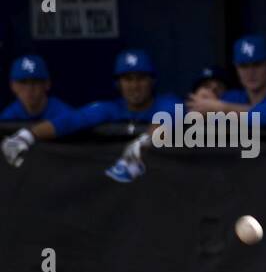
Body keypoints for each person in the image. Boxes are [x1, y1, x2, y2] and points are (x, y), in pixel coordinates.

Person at [2, 49, 179, 183]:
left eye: (141, 78)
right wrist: (28, 135)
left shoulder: (167, 102)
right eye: (128, 79)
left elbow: (168, 116)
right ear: (118, 84)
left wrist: (144, 142)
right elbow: (72, 120)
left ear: (152, 81)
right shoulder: (111, 108)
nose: (134, 85)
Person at [2, 55, 74, 167]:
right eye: (23, 82)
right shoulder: (7, 117)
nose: (29, 88)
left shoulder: (63, 112)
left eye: (35, 81)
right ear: (13, 86)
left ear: (47, 84)